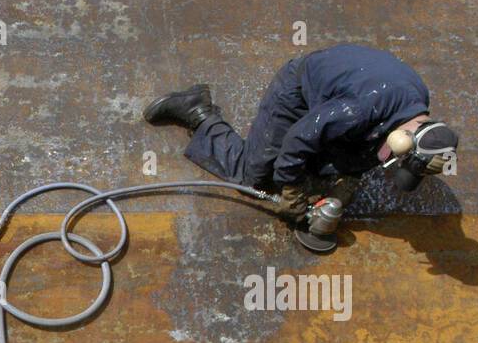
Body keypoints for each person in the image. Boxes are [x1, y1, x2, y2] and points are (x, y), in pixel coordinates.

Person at [143, 44, 458, 222]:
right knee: (253, 176)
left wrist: (349, 180)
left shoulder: (417, 105)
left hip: (339, 98)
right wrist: (291, 190)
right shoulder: (359, 110)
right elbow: (299, 137)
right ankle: (198, 112)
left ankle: (326, 168)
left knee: (331, 163)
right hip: (299, 89)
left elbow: (376, 144)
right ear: (407, 137)